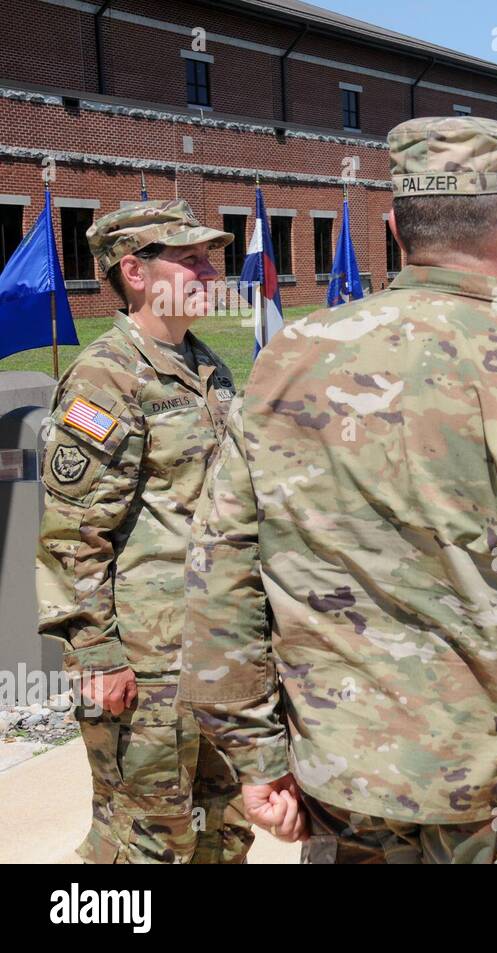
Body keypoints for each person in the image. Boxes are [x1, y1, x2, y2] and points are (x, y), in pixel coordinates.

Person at [180, 116, 497, 864]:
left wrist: (254, 757)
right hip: (486, 799)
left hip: (336, 779)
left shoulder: (289, 356)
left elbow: (219, 571)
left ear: (393, 226)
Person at [36, 199, 251, 864]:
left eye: (208, 257)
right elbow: (72, 536)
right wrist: (97, 656)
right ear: (134, 270)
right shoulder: (106, 377)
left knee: (224, 828)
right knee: (144, 841)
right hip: (145, 664)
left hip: (215, 657)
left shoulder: (207, 366)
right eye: (190, 259)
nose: (210, 271)